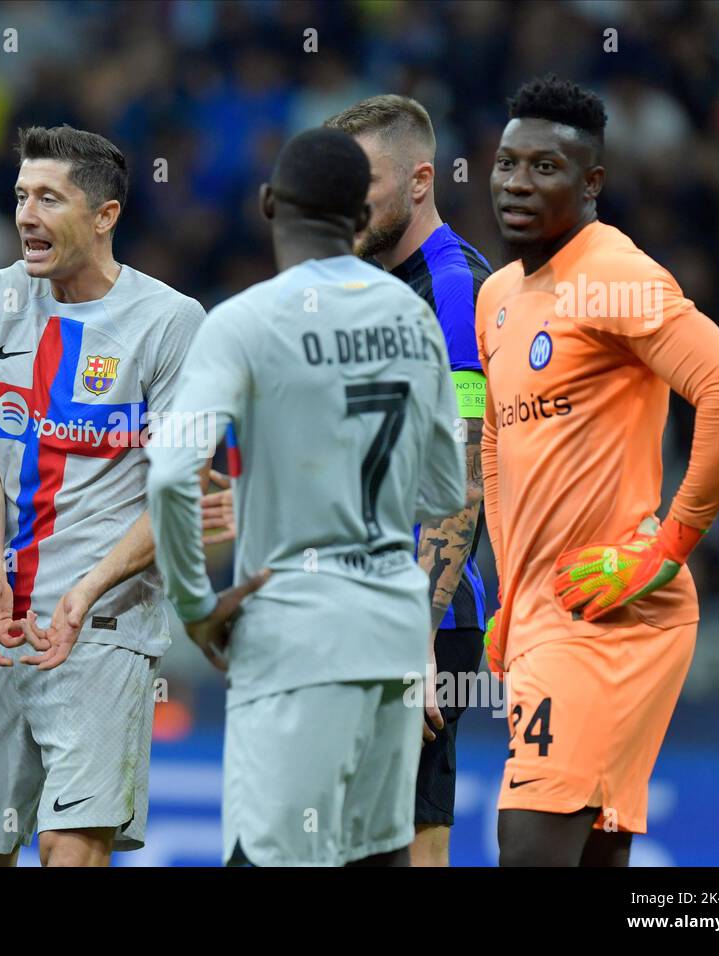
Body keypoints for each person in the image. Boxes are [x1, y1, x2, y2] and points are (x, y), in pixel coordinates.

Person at [147, 127, 466, 866]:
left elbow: (170, 473)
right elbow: (449, 484)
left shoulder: (245, 323)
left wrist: (195, 606)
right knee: (376, 857)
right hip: (392, 630)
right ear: (360, 222)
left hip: (296, 636)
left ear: (267, 205)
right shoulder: (415, 318)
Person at [478, 75, 719, 866]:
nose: (515, 183)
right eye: (507, 163)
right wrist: (510, 589)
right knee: (592, 854)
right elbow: (499, 446)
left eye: (545, 168)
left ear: (592, 182)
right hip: (545, 610)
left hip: (608, 611)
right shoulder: (499, 296)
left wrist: (668, 545)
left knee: (529, 846)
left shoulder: (617, 275)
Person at [0, 124, 206, 867]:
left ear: (104, 215)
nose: (26, 213)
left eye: (49, 198)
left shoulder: (169, 322)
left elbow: (177, 491)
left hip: (102, 630)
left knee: (70, 847)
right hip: (1, 628)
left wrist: (87, 591)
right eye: (21, 195)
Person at [325, 95, 492, 867]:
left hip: (424, 615)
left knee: (414, 846)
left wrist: (417, 636)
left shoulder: (456, 292)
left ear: (421, 180)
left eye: (364, 183)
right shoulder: (365, 284)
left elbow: (462, 465)